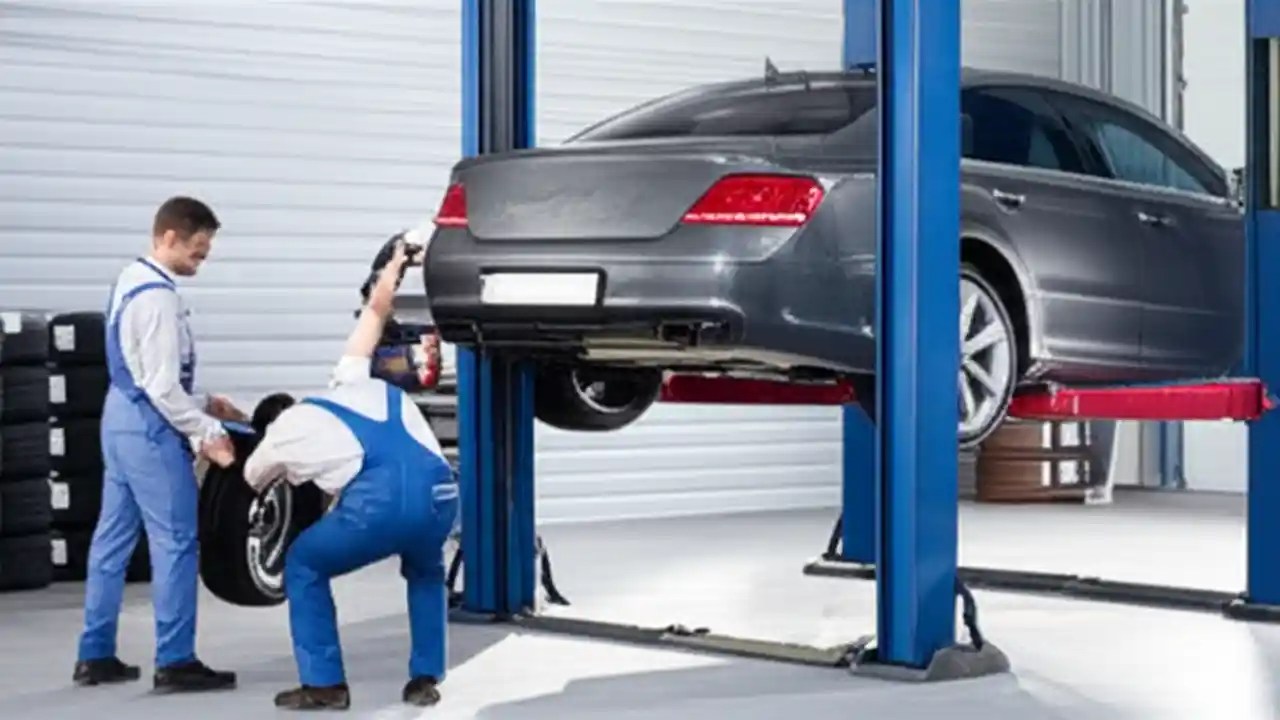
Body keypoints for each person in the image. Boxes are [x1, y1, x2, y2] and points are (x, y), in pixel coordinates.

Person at [242, 240, 457, 711]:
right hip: (440, 492)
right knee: (425, 571)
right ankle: (425, 678)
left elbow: (252, 480)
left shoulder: (288, 428)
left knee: (303, 563)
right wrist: (396, 265)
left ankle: (325, 685)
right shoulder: (359, 381)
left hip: (383, 502)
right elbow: (376, 312)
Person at [74, 196, 245, 693]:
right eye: (197, 250)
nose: (201, 260)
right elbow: (161, 386)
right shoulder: (159, 297)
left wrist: (208, 402)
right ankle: (175, 660)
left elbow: (141, 372)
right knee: (175, 540)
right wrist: (206, 434)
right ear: (169, 237)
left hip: (120, 418)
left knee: (112, 542)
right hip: (150, 427)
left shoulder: (130, 280)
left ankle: (95, 654)